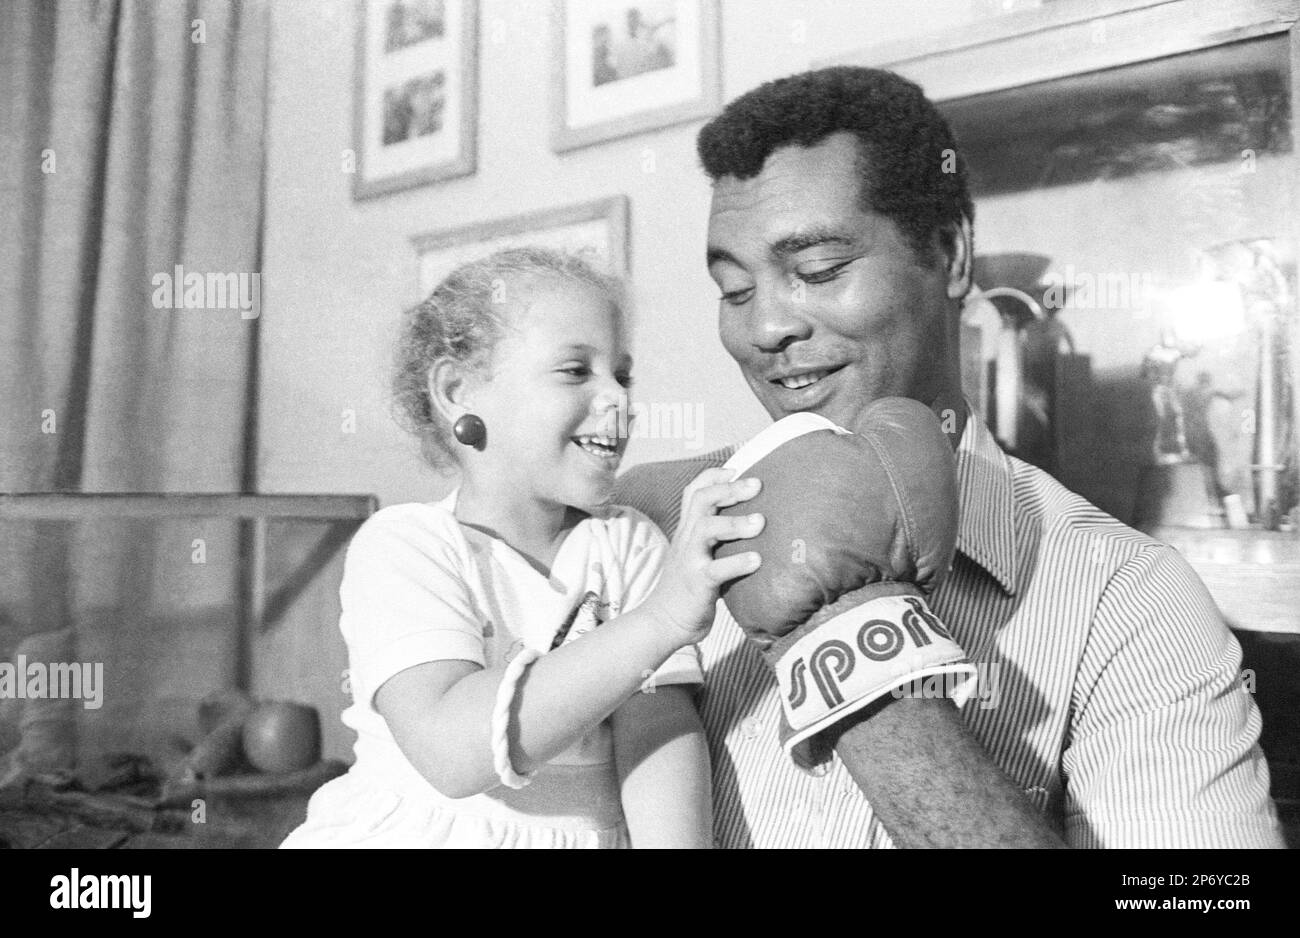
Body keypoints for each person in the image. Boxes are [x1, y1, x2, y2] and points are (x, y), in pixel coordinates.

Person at [615, 66, 1284, 848]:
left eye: (819, 271)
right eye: (733, 290)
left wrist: (846, 631)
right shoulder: (653, 531)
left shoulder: (1128, 600)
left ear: (951, 256)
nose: (766, 328)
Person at [281, 247, 764, 848]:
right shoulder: (406, 546)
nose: (618, 397)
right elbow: (451, 751)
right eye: (575, 371)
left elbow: (659, 732)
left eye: (623, 373)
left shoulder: (630, 542)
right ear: (458, 391)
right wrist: (660, 619)